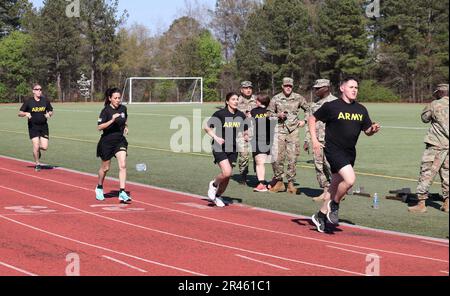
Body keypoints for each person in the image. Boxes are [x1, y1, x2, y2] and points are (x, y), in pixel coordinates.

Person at [309, 77, 381, 233]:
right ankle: (334, 205)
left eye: (356, 87)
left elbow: (367, 131)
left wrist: (373, 130)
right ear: (342, 88)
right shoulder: (331, 106)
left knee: (334, 185)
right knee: (349, 180)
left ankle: (320, 215)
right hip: (333, 149)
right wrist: (314, 140)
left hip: (350, 152)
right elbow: (312, 119)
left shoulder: (361, 109)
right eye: (351, 87)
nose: (354, 90)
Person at [409, 84, 449, 214]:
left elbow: (424, 118)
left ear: (440, 93)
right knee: (447, 174)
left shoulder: (434, 104)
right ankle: (447, 203)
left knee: (426, 173)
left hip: (436, 145)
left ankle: (421, 203)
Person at [267, 78, 310, 194]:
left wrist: (304, 121)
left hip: (293, 131)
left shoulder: (298, 98)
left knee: (292, 158)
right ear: (282, 86)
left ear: (292, 86)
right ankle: (279, 182)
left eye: (290, 86)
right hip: (279, 130)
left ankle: (291, 184)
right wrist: (277, 115)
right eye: (286, 85)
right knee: (276, 157)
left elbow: (308, 110)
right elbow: (268, 114)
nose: (288, 88)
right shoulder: (276, 98)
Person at [205, 92, 249, 207]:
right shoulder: (220, 114)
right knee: (227, 172)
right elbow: (206, 127)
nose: (236, 101)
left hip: (233, 148)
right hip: (219, 146)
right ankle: (214, 184)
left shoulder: (240, 115)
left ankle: (218, 196)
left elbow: (245, 128)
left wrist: (245, 136)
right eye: (233, 99)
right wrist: (216, 137)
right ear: (227, 101)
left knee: (227, 176)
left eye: (237, 99)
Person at [95, 88, 131, 204]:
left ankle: (122, 192)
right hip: (107, 142)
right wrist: (112, 120)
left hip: (120, 141)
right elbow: (99, 127)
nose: (117, 100)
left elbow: (125, 119)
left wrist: (125, 126)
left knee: (123, 164)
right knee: (105, 168)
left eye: (119, 98)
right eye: (115, 98)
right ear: (110, 98)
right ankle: (99, 187)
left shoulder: (123, 108)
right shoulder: (105, 111)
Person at [304, 79, 338, 202]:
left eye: (318, 88)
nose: (316, 90)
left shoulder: (336, 103)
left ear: (327, 88)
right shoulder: (314, 104)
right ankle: (325, 191)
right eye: (315, 88)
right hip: (317, 140)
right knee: (319, 166)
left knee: (331, 166)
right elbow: (310, 121)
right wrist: (307, 139)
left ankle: (337, 191)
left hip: (331, 140)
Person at [18, 84, 54, 172]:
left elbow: (51, 110)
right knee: (36, 145)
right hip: (33, 126)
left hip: (44, 126)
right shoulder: (29, 101)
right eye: (37, 89)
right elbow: (19, 113)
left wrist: (49, 114)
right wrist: (26, 114)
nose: (39, 91)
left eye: (40, 89)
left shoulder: (45, 100)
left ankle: (36, 150)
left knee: (44, 147)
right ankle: (37, 163)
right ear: (33, 91)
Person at [250, 94, 274, 192]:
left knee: (274, 162)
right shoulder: (254, 111)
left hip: (270, 139)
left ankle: (275, 182)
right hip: (257, 139)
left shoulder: (271, 111)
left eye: (257, 100)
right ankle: (262, 183)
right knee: (259, 161)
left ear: (261, 101)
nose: (256, 101)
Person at [237, 81, 258, 185]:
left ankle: (258, 176)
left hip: (256, 131)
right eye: (246, 88)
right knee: (244, 155)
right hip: (241, 132)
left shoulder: (257, 100)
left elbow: (263, 113)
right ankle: (243, 175)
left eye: (250, 87)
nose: (248, 90)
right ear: (241, 90)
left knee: (257, 155)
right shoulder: (236, 100)